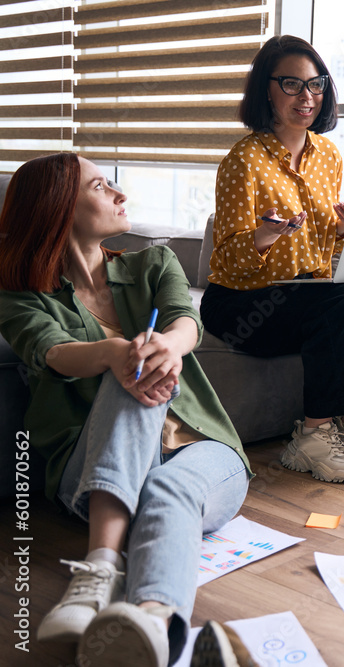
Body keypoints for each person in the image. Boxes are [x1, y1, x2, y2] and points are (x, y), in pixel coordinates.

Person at [0, 154, 253, 666]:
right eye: (101, 186)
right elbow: (48, 350)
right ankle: (122, 595)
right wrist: (118, 354)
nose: (120, 195)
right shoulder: (18, 295)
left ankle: (141, 613)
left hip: (202, 451)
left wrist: (167, 345)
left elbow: (187, 320)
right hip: (91, 466)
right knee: (128, 368)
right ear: (58, 208)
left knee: (168, 481)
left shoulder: (152, 263)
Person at [200, 35, 344, 484]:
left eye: (315, 85)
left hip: (301, 290)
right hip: (241, 301)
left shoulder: (327, 155)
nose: (307, 97)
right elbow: (226, 261)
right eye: (292, 85)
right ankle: (312, 435)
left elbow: (321, 249)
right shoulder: (242, 161)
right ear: (266, 89)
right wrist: (262, 236)